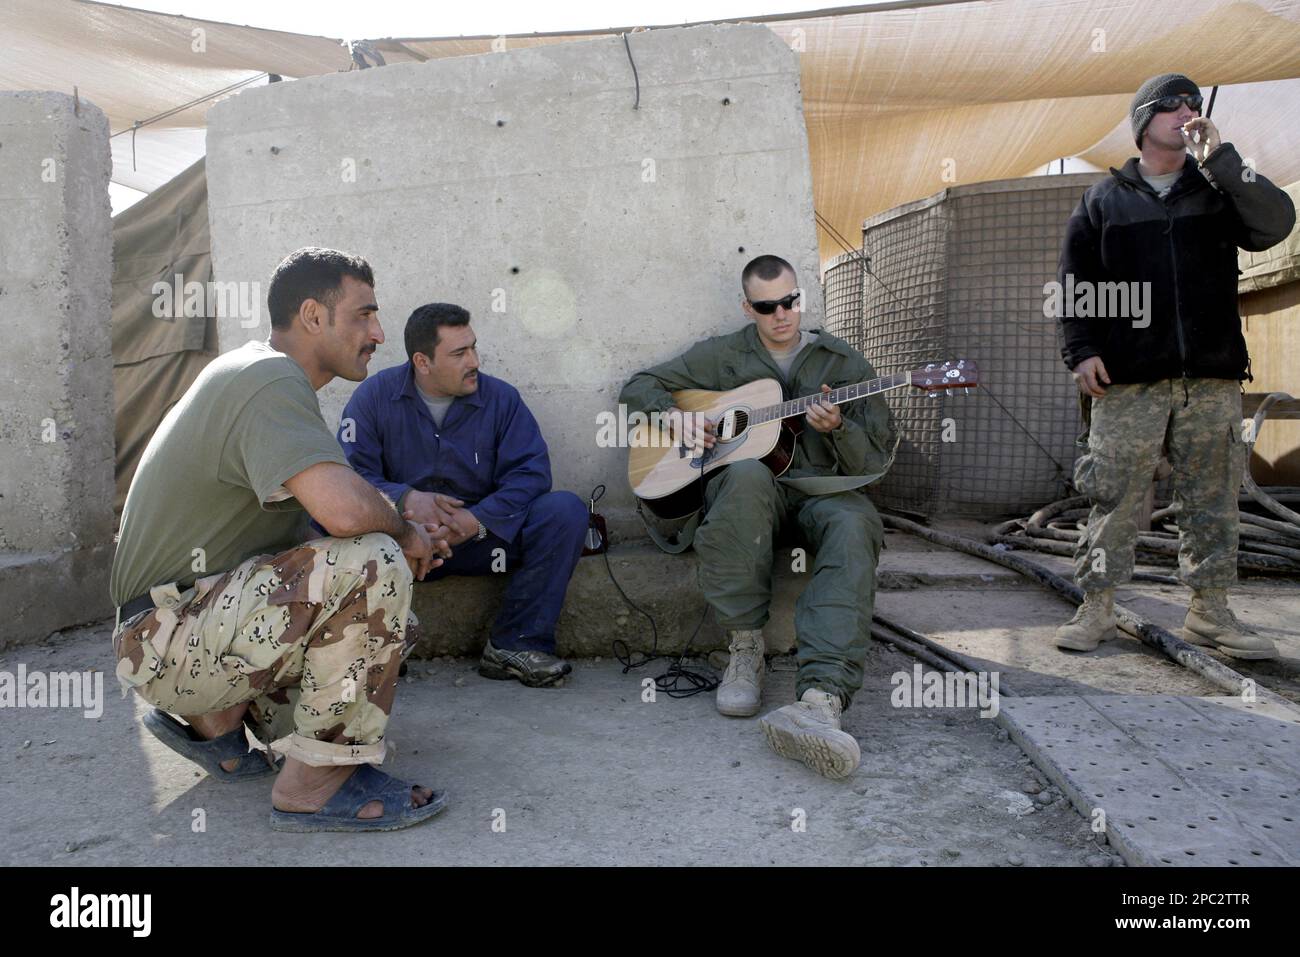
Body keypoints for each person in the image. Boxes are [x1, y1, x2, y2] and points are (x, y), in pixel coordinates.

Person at [110, 246, 453, 832]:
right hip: (168, 637)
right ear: (314, 316)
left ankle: (215, 721)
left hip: (170, 630)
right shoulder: (269, 378)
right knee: (374, 563)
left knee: (388, 631)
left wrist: (399, 515)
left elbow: (319, 521)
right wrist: (406, 529)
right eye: (363, 315)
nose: (378, 332)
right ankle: (317, 784)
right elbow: (346, 515)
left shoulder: (256, 372)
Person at [619, 254, 895, 779]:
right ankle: (745, 647)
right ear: (749, 307)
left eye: (791, 301)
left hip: (821, 491)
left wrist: (838, 427)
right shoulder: (722, 357)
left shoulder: (843, 363)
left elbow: (873, 463)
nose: (782, 314)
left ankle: (820, 699)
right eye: (767, 306)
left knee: (855, 520)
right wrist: (675, 417)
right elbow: (638, 385)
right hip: (749, 500)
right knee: (745, 474)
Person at [1054, 73, 1296, 658]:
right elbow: (1075, 285)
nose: (1187, 111)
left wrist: (1225, 161)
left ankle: (1210, 612)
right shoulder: (1102, 201)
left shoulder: (1217, 190)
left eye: (1193, 103)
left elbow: (1276, 223)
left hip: (1210, 376)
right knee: (1113, 493)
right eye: (1173, 104)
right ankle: (1098, 608)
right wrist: (1081, 352)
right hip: (1129, 379)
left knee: (1211, 495)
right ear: (1144, 123)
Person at [338, 302, 587, 688]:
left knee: (564, 511)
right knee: (320, 517)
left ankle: (514, 644)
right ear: (422, 361)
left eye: (472, 347)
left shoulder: (502, 400)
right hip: (403, 546)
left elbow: (531, 474)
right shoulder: (373, 398)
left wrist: (476, 520)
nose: (474, 361)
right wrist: (405, 503)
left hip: (482, 540)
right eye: (459, 353)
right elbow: (352, 477)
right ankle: (380, 644)